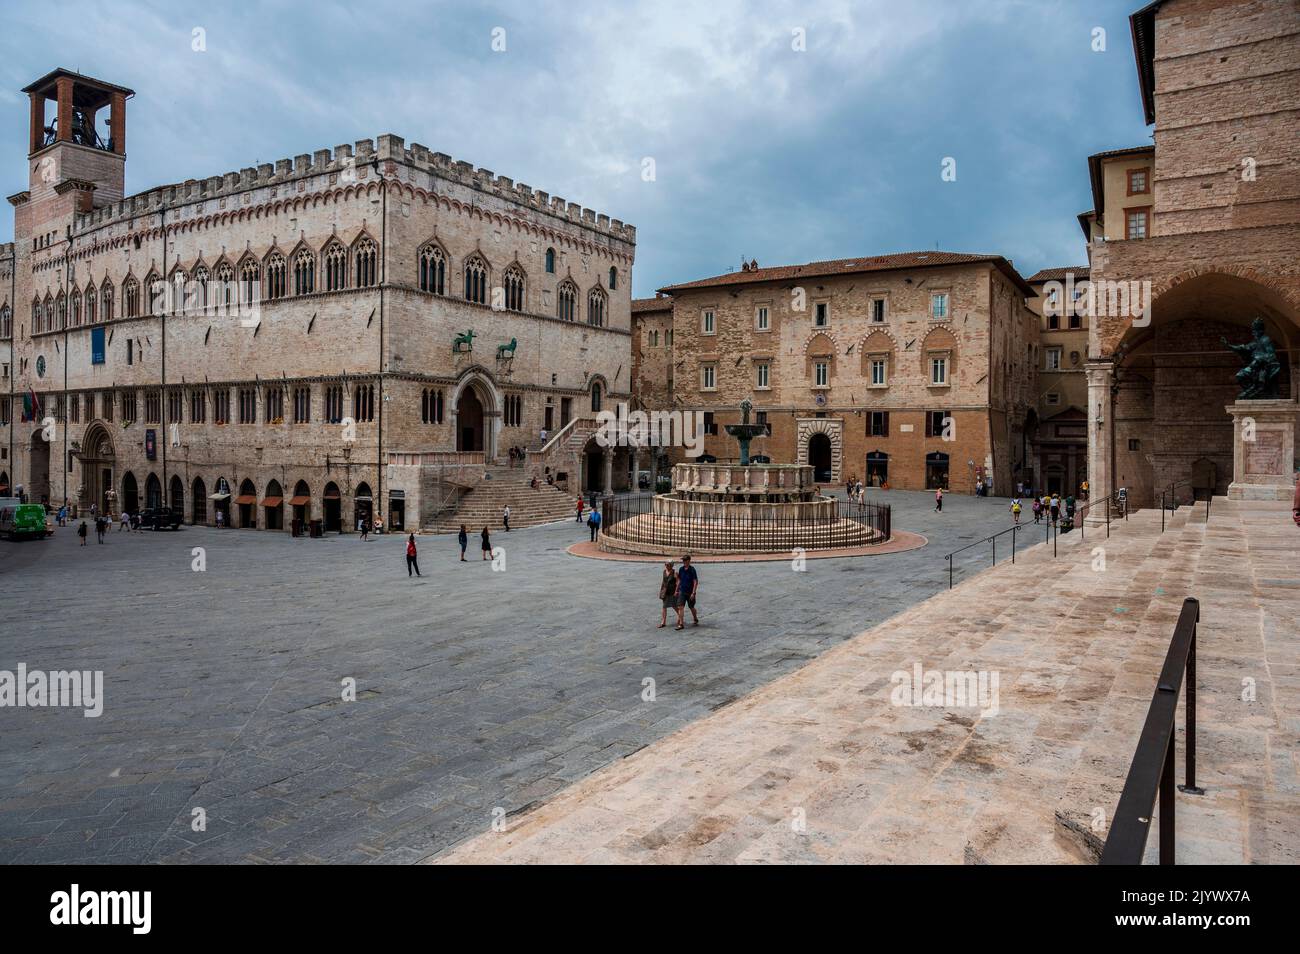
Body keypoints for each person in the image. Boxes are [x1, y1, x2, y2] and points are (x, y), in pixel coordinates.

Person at [675, 555, 699, 629]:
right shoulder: (681, 569)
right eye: (683, 560)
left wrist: (693, 592)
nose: (684, 561)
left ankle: (695, 617)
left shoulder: (692, 570)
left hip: (690, 592)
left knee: (691, 607)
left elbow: (695, 581)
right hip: (682, 591)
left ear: (689, 560)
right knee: (680, 607)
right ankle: (681, 624)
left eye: (685, 560)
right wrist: (676, 590)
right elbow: (679, 580)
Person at [657, 560, 677, 629]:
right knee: (664, 607)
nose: (666, 566)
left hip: (672, 591)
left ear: (671, 565)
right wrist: (662, 591)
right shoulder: (664, 571)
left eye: (668, 565)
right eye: (665, 564)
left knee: (674, 606)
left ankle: (680, 617)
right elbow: (663, 581)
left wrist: (676, 591)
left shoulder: (674, 572)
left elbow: (678, 582)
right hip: (665, 592)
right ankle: (663, 622)